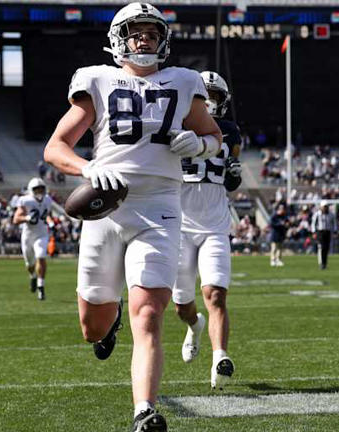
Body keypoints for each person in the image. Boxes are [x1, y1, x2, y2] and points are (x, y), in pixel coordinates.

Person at [42, 3, 222, 430]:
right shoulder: (98, 79)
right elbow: (55, 148)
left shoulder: (183, 82)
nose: (145, 39)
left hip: (159, 204)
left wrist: (200, 146)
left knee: (150, 312)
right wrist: (87, 167)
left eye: (151, 32)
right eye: (136, 32)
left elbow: (215, 136)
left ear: (164, 40)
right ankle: (109, 320)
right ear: (118, 38)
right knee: (92, 326)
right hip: (105, 205)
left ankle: (145, 410)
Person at [173, 70, 241, 390]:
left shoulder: (230, 133)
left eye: (214, 97)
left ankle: (220, 357)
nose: (210, 103)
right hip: (180, 227)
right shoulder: (174, 125)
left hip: (215, 225)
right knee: (182, 305)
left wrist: (234, 171)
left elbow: (233, 181)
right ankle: (194, 326)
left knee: (215, 294)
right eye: (206, 96)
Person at [12, 177, 54, 300]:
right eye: (37, 189)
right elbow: (15, 219)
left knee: (41, 257)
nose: (40, 191)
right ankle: (33, 277)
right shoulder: (25, 200)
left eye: (41, 188)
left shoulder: (47, 200)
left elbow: (46, 216)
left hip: (41, 234)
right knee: (30, 264)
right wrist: (27, 218)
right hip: (28, 235)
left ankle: (41, 287)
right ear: (31, 190)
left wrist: (50, 222)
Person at [311, 201, 336, 270]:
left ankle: (325, 263)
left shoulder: (331, 214)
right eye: (324, 207)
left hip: (327, 232)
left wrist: (334, 232)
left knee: (326, 248)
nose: (325, 208)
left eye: (326, 207)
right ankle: (321, 263)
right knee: (321, 247)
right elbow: (313, 223)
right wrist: (314, 232)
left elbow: (334, 223)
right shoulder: (317, 214)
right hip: (320, 232)